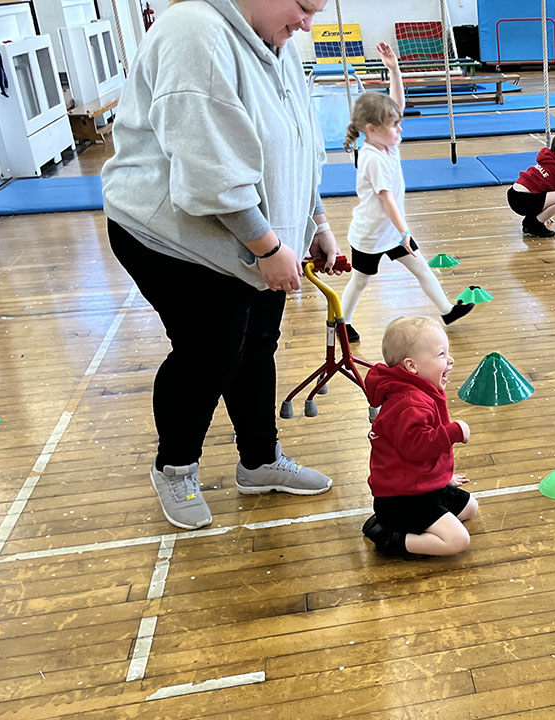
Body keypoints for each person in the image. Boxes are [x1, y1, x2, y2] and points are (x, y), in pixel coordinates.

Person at [102, 0, 339, 530]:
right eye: (304, 6)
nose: (308, 23)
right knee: (210, 352)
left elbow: (297, 147)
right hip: (172, 237)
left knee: (258, 343)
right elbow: (211, 174)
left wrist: (315, 222)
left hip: (252, 233)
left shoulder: (277, 42)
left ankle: (259, 460)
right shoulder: (195, 34)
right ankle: (175, 467)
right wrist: (268, 250)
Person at [336, 43, 473, 344]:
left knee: (421, 267)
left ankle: (447, 311)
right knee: (360, 280)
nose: (400, 129)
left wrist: (394, 69)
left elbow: (396, 105)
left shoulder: (387, 143)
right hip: (372, 235)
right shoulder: (373, 157)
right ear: (371, 129)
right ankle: (341, 323)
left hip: (393, 232)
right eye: (394, 126)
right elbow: (386, 200)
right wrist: (405, 232)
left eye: (398, 124)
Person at [361, 317, 478, 557]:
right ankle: (387, 535)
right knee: (457, 541)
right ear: (412, 366)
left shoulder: (422, 390)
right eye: (441, 354)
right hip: (402, 499)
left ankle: (404, 521)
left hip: (419, 486)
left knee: (470, 508)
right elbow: (418, 446)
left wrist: (441, 476)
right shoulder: (409, 403)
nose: (450, 360)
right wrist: (454, 432)